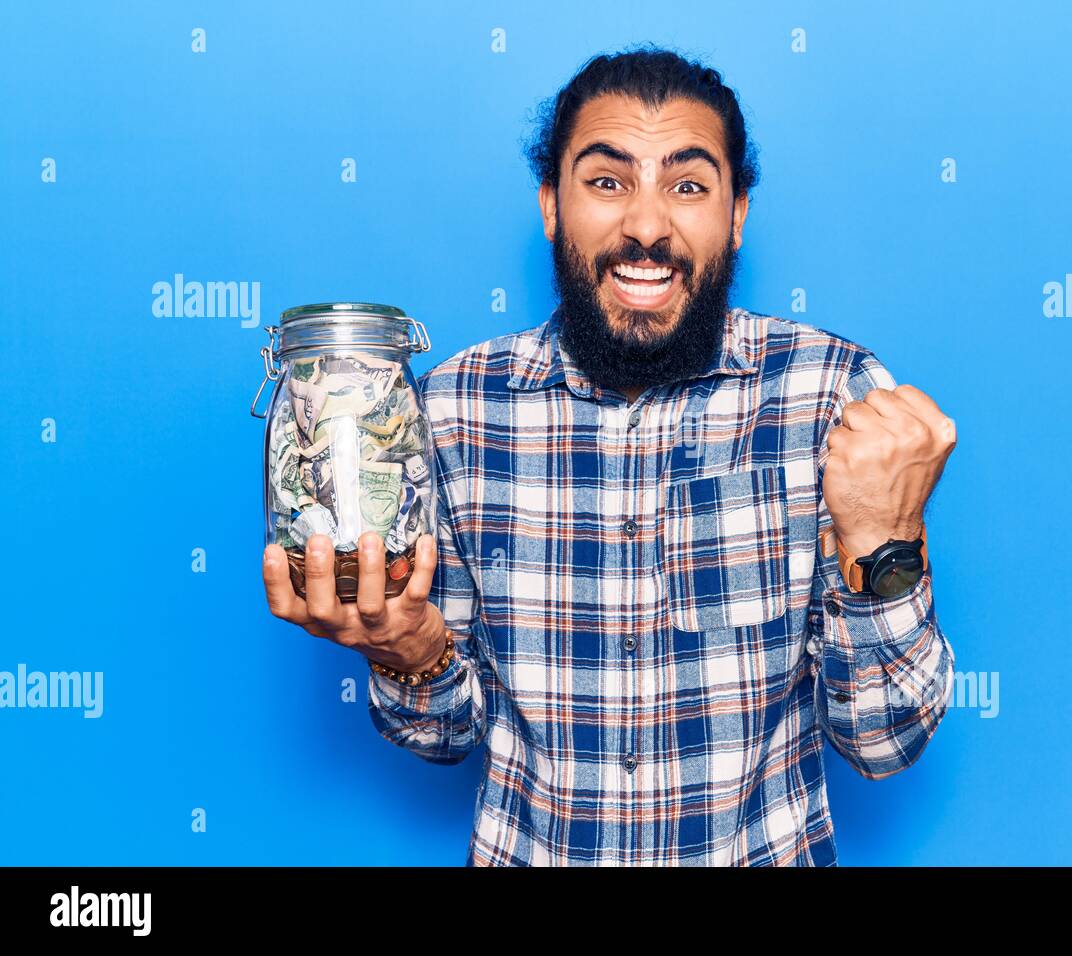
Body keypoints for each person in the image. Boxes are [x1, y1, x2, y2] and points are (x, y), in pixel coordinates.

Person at [262, 45, 958, 866]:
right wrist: (407, 651)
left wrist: (886, 545)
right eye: (607, 181)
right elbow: (443, 737)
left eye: (689, 185)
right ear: (552, 205)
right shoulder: (448, 408)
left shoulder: (828, 394)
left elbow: (885, 743)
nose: (647, 226)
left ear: (737, 216)